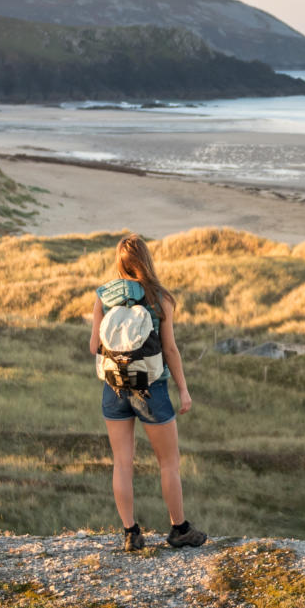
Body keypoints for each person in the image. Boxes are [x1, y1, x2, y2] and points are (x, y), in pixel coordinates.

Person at [91, 234, 204, 552]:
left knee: (122, 463)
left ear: (119, 262)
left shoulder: (103, 295)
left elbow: (92, 346)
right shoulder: (159, 297)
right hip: (151, 388)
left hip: (113, 387)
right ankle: (179, 529)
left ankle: (130, 533)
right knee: (168, 463)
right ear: (146, 260)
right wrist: (183, 390)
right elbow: (169, 349)